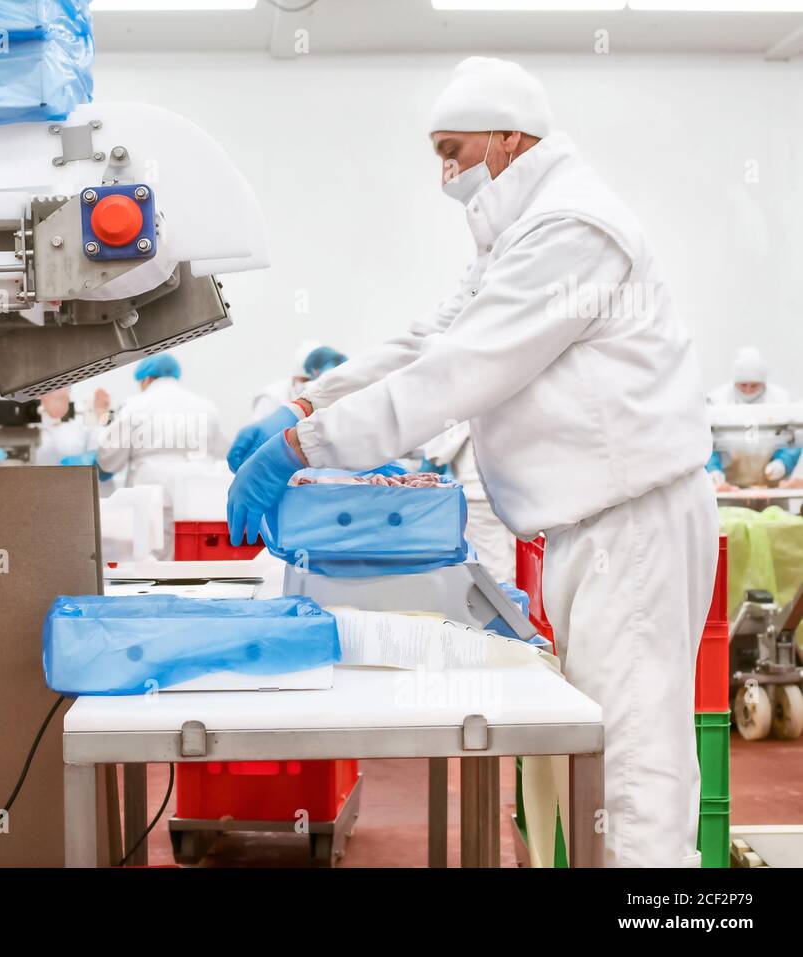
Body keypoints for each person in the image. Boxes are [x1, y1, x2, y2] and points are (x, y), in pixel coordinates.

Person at [226, 57, 717, 867]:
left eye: (453, 149)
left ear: (507, 136)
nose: (445, 172)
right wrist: (309, 401)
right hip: (587, 530)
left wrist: (298, 450)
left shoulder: (571, 231)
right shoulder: (519, 236)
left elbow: (458, 375)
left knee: (634, 768)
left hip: (633, 527)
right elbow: (428, 341)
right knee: (601, 751)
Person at [96, 354, 228, 558]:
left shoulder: (133, 405)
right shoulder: (206, 406)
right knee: (190, 555)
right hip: (195, 492)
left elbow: (108, 459)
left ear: (146, 379)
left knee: (150, 558)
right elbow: (223, 453)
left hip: (149, 489)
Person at [421, 420, 515, 583]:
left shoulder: (463, 408)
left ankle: (503, 605)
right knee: (517, 563)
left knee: (493, 567)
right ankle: (518, 605)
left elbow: (436, 456)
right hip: (514, 495)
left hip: (480, 497)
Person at [704, 347, 799, 490]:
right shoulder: (716, 401)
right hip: (728, 487)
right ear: (735, 382)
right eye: (743, 385)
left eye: (754, 386)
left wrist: (782, 463)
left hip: (770, 487)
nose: (748, 390)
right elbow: (705, 439)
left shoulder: (782, 400)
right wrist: (713, 469)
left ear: (763, 383)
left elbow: (794, 437)